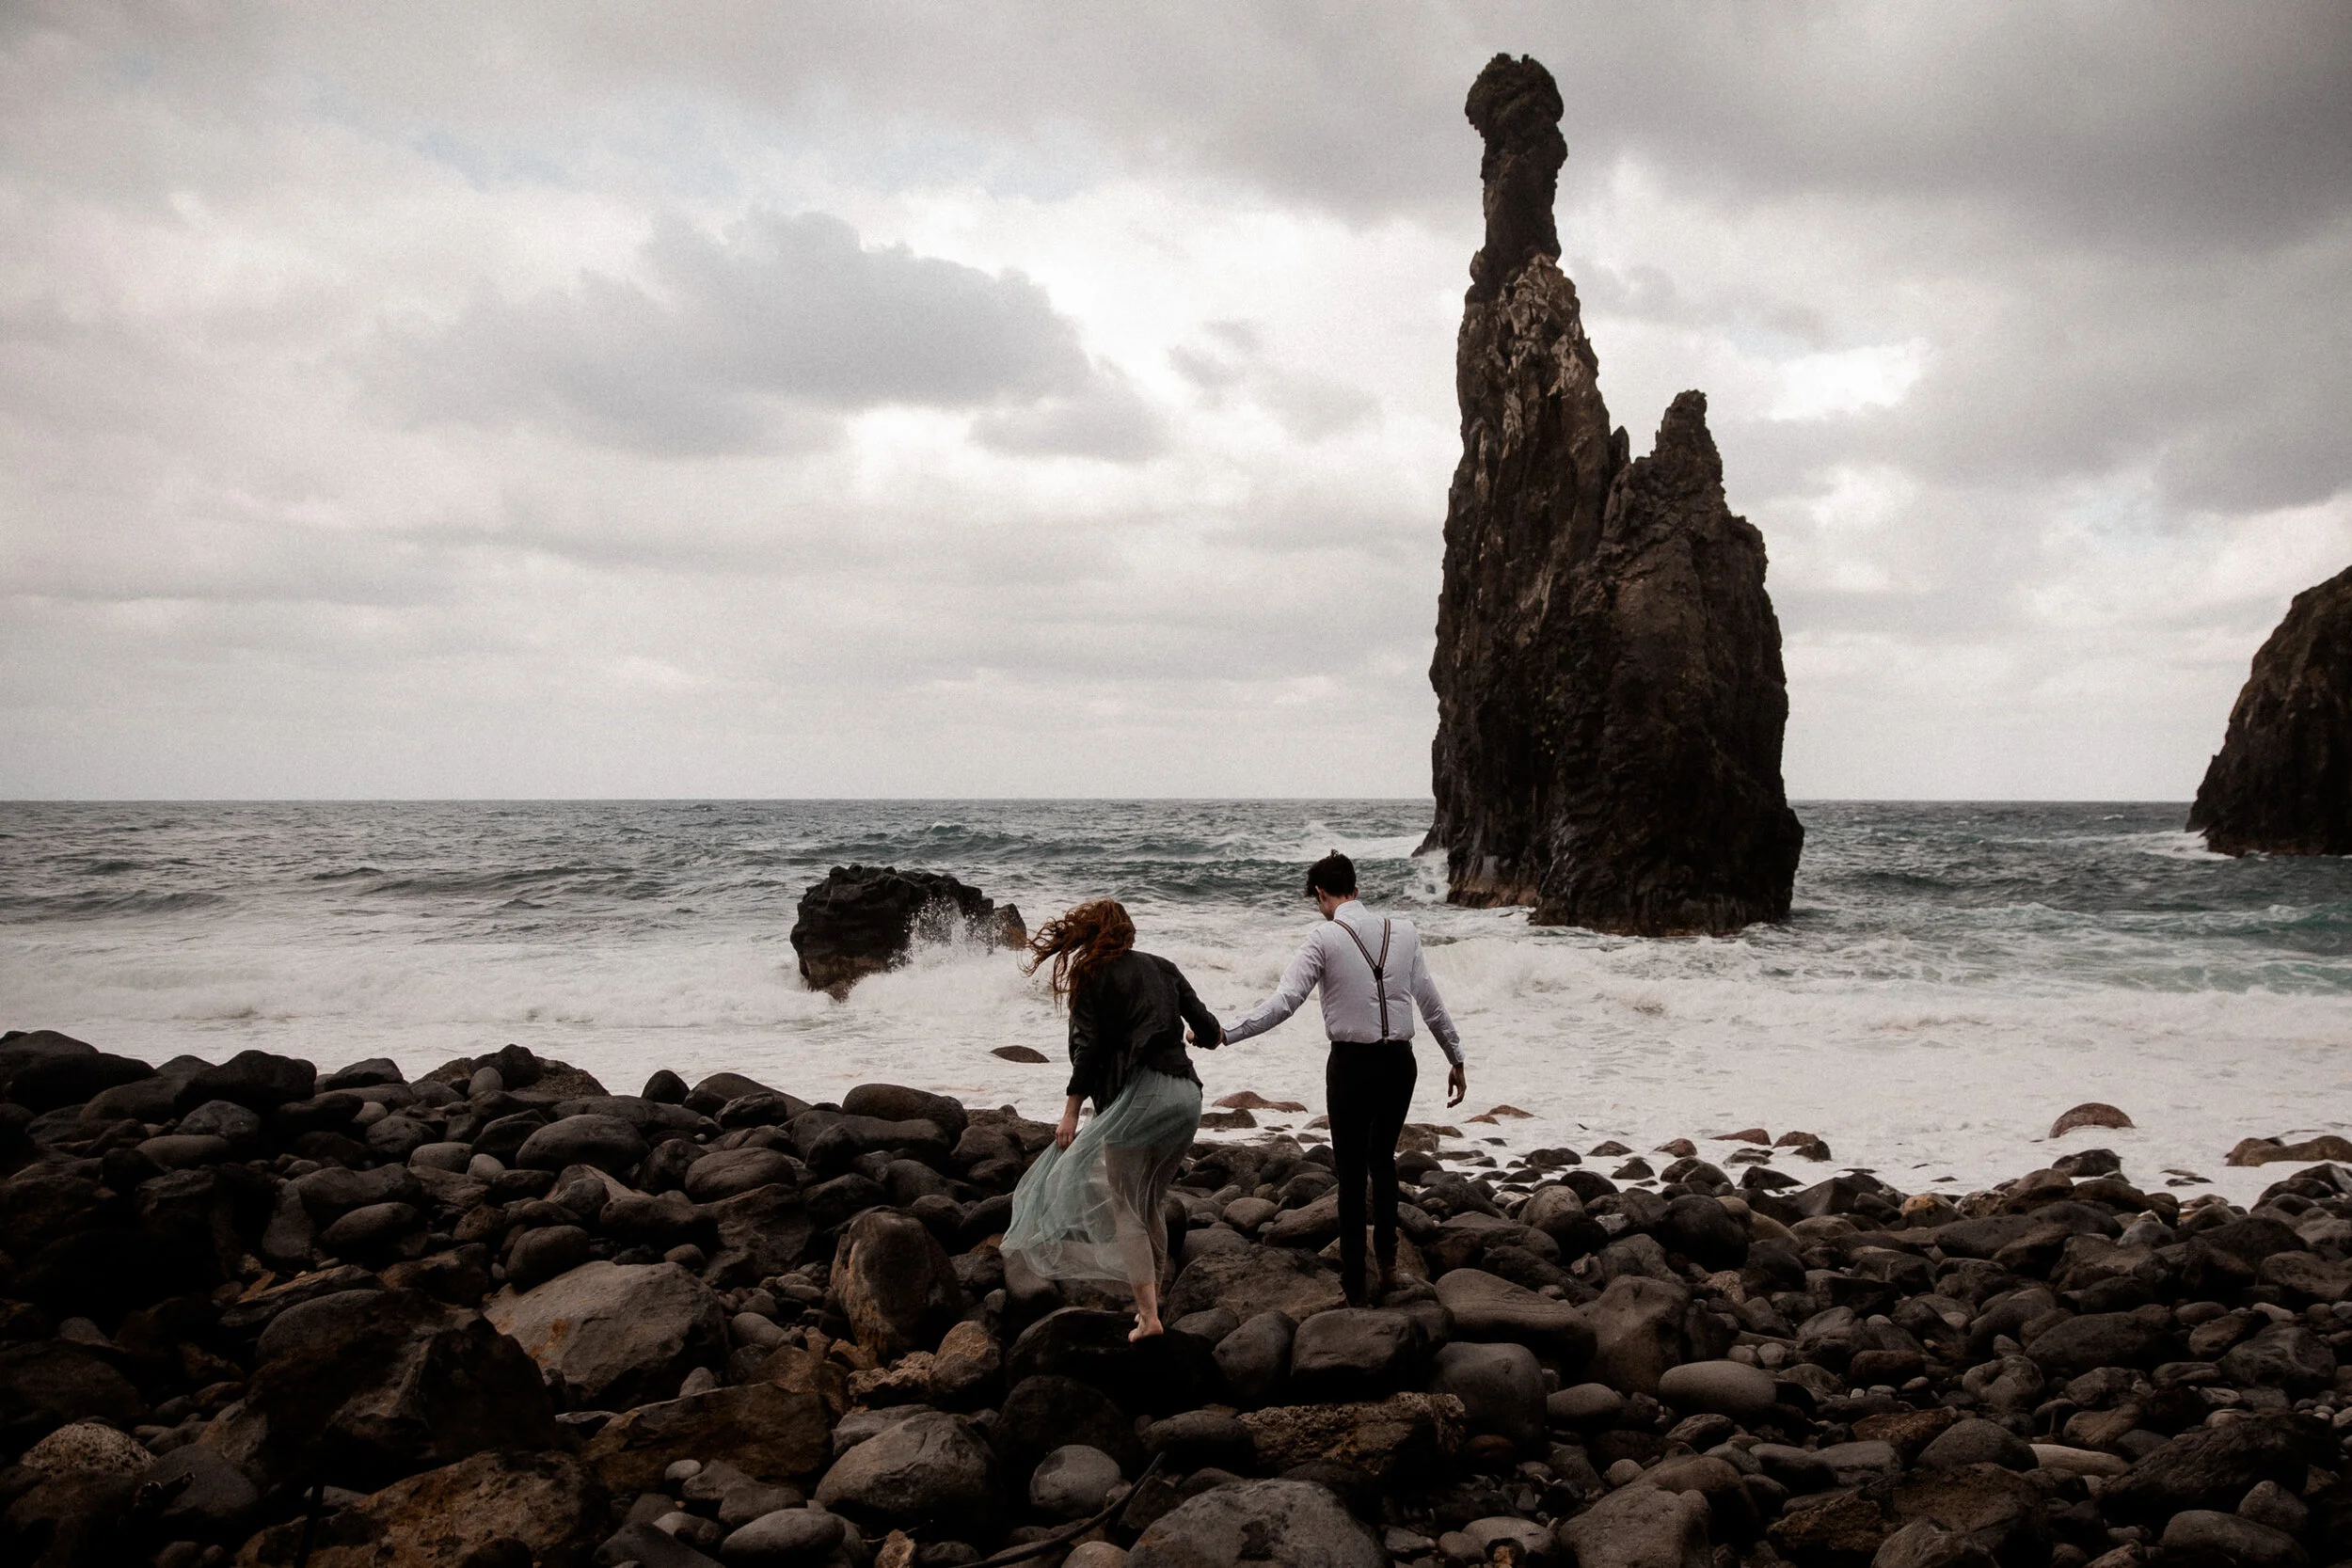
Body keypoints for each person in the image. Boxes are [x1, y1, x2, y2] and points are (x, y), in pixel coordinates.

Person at [1220, 851, 1466, 1304]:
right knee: (1384, 1162)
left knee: (1352, 1175)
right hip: (1400, 1066)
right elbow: (1431, 1005)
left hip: (1352, 1067)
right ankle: (1390, 1270)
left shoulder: (1322, 938)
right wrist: (1456, 1057)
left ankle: (1355, 1285)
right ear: (1356, 887)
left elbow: (1285, 1002)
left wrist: (1226, 1032)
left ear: (1320, 893)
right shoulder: (1404, 932)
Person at [1000, 898, 1221, 1341]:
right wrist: (1199, 1036)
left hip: (1140, 1099)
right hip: (1186, 1097)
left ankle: (1150, 1317)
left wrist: (1069, 1112)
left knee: (1125, 1207)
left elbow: (1090, 1049)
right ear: (1128, 932)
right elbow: (1211, 1031)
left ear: (1090, 934)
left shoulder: (1091, 975)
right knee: (1150, 1203)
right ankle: (1151, 1311)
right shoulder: (1164, 966)